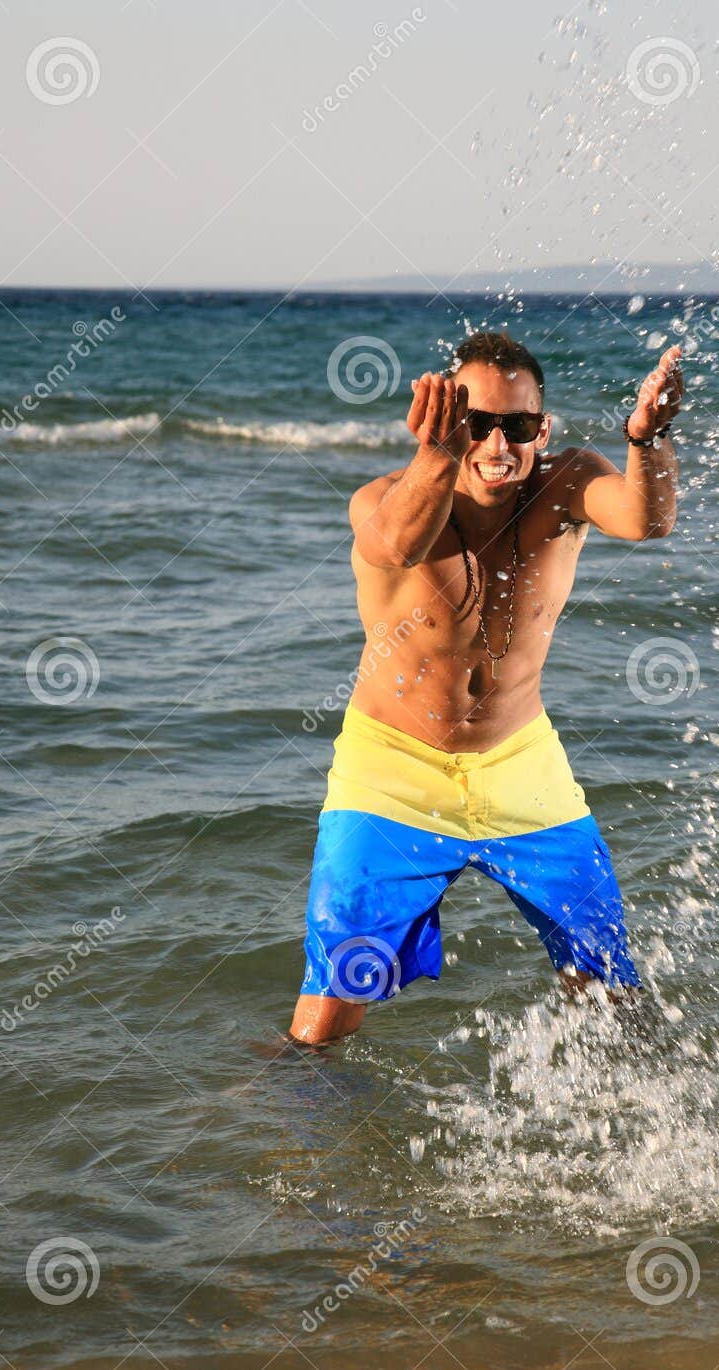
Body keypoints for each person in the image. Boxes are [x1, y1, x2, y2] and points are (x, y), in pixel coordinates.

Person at [289, 329, 682, 1044]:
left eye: (520, 426)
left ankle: (645, 1121)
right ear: (448, 424)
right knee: (335, 999)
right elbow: (396, 546)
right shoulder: (382, 500)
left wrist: (644, 439)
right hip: (391, 769)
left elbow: (646, 521)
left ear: (544, 428)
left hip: (520, 763)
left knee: (609, 984)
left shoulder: (566, 485)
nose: (499, 445)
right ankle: (297, 1135)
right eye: (478, 424)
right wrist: (436, 455)